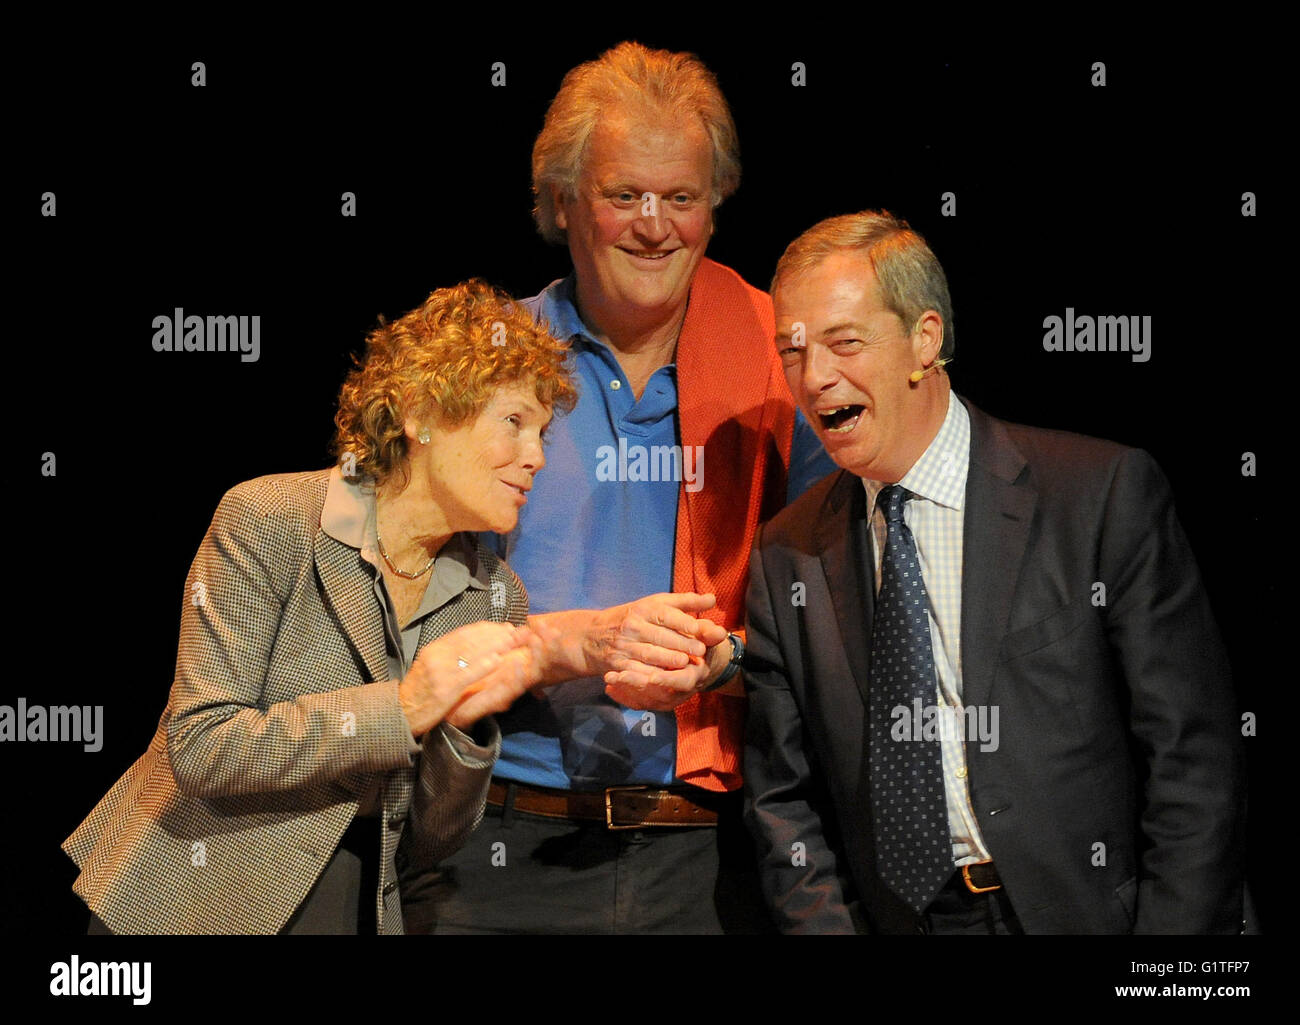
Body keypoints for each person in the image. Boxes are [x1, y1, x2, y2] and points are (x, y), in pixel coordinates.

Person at [398, 42, 836, 934]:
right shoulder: (483, 360)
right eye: (622, 195)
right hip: (496, 845)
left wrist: (726, 657)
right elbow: (391, 608)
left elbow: (840, 614)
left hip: (709, 856)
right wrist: (566, 642)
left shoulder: (784, 357)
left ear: (714, 206)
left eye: (681, 197)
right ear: (561, 201)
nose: (653, 225)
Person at [743, 210, 1247, 934]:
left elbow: (1194, 762)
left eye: (843, 342)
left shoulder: (1097, 495)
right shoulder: (786, 553)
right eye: (791, 350)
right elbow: (782, 801)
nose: (815, 377)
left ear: (925, 338)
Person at [62, 279, 577, 934]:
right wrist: (404, 707)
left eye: (542, 433)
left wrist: (464, 728)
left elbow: (431, 841)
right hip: (196, 893)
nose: (534, 457)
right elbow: (200, 743)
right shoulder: (270, 519)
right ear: (420, 412)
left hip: (351, 901)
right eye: (513, 423)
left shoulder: (494, 595)